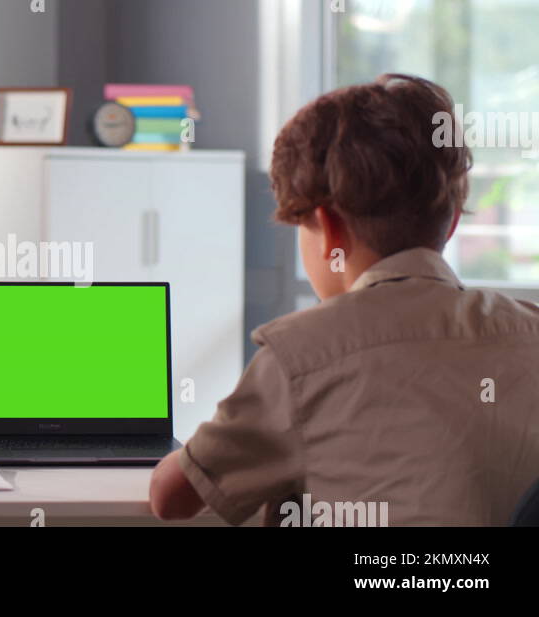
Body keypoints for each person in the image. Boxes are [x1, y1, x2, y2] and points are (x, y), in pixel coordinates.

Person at [150, 74, 539, 526]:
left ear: (328, 229)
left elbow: (172, 497)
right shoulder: (530, 331)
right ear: (451, 223)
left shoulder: (302, 354)